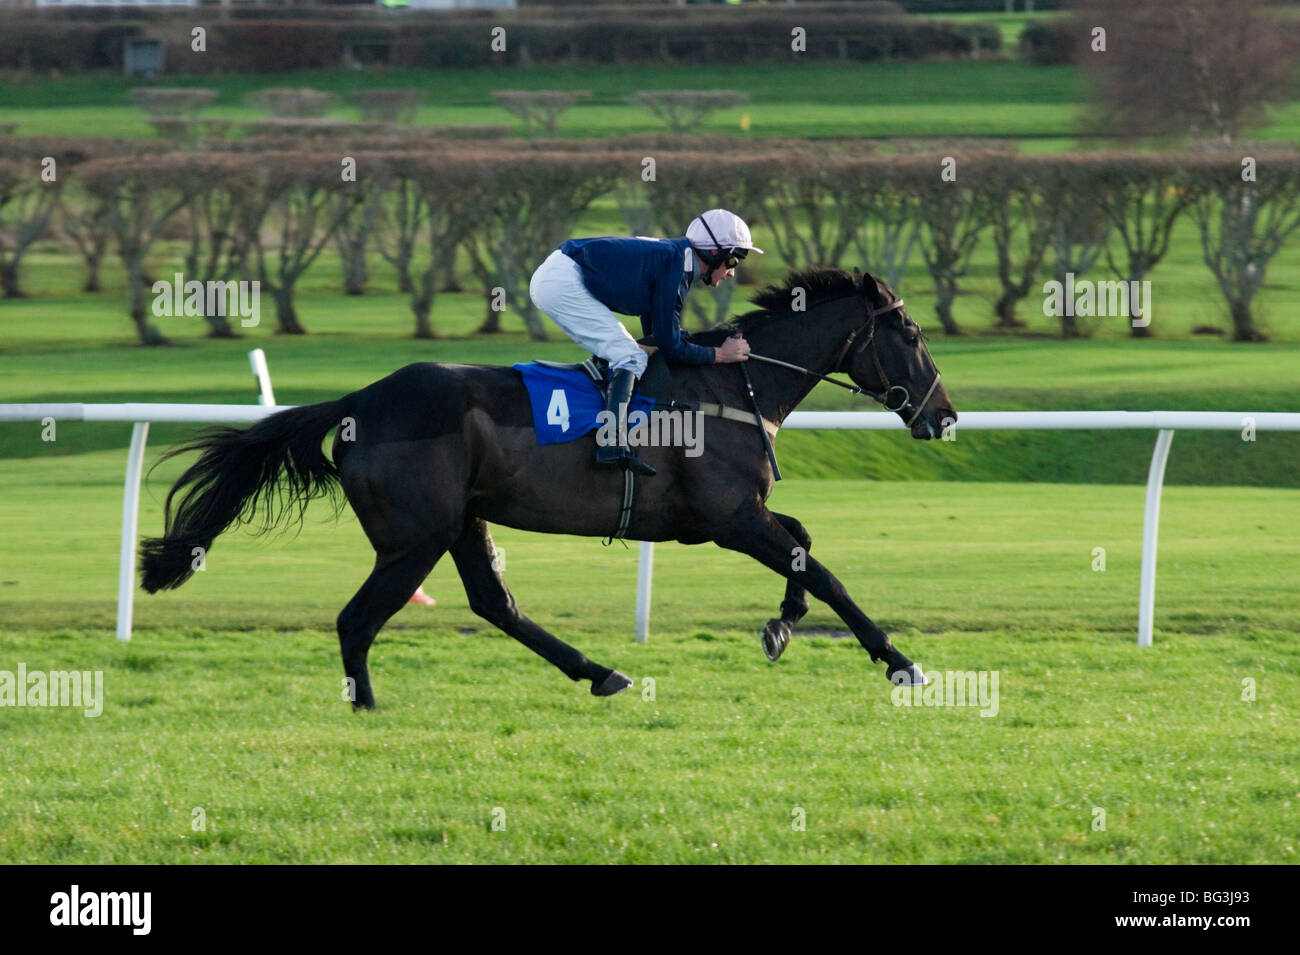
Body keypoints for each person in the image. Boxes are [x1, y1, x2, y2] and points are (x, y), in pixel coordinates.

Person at [528, 209, 761, 477]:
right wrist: (720, 354)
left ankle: (605, 412)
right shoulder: (675, 265)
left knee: (631, 351)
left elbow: (659, 336)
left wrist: (683, 344)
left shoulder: (676, 260)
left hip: (560, 273)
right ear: (713, 253)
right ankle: (611, 443)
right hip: (561, 281)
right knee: (630, 356)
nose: (732, 272)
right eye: (734, 260)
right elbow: (670, 346)